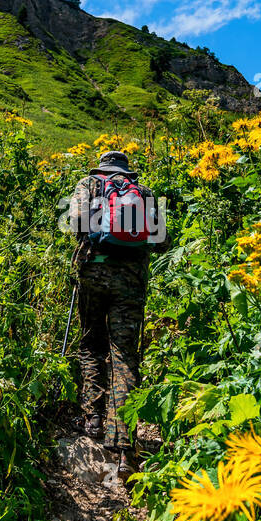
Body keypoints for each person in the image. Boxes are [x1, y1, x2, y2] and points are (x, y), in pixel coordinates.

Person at [68, 150, 168, 482]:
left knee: (91, 343)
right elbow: (162, 240)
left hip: (93, 275)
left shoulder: (89, 183)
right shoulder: (146, 193)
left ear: (102, 167)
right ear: (128, 171)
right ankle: (124, 447)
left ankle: (92, 419)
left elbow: (74, 224)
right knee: (124, 355)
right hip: (130, 282)